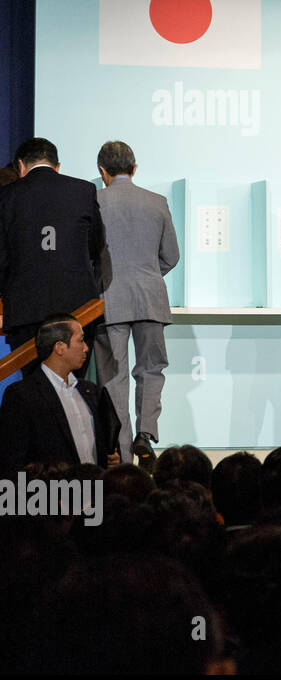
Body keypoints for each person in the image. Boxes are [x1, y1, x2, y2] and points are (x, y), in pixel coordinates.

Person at [92, 141, 179, 471]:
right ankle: (146, 432)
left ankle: (122, 455)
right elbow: (171, 256)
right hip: (150, 297)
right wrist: (149, 276)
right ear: (135, 168)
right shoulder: (157, 202)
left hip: (109, 298)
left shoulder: (96, 200)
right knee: (152, 369)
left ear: (102, 171)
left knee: (113, 378)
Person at [0, 138, 105, 377]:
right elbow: (96, 245)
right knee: (73, 386)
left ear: (21, 165)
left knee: (35, 386)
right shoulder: (83, 190)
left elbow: (2, 257)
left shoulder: (7, 196)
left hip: (25, 309)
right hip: (77, 309)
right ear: (57, 166)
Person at [0, 315, 121, 475]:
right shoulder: (21, 395)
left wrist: (113, 460)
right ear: (60, 347)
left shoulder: (91, 391)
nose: (86, 347)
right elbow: (12, 461)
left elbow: (107, 445)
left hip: (96, 495)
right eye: (80, 341)